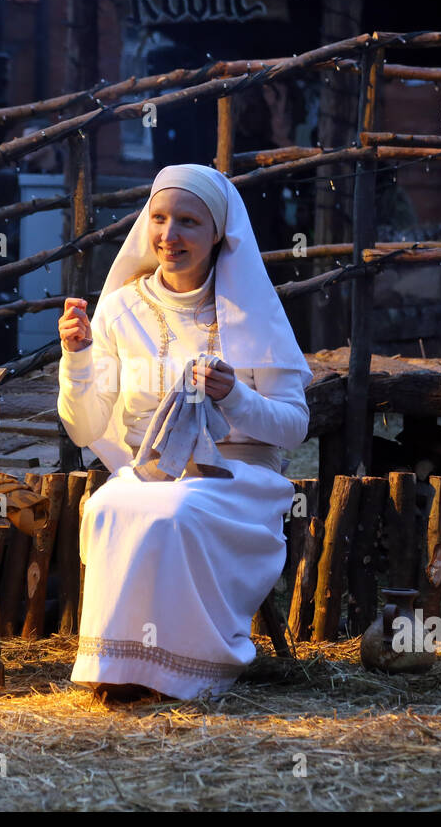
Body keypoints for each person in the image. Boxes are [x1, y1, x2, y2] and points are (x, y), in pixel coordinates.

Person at [56, 164, 311, 702]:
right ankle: (119, 670)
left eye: (188, 222)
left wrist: (234, 396)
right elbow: (85, 427)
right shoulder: (121, 308)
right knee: (108, 507)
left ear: (218, 232)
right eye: (160, 219)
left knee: (178, 511)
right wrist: (76, 358)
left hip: (237, 475)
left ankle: (184, 673)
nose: (169, 235)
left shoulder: (252, 309)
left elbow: (293, 428)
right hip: (149, 470)